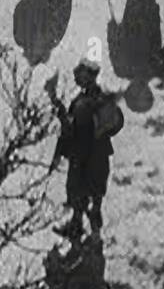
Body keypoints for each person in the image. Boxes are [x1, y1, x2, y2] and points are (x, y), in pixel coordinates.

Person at [49, 59, 124, 242]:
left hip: (91, 157)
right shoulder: (84, 101)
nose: (77, 76)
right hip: (88, 157)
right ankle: (79, 229)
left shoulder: (91, 102)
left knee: (91, 198)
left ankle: (94, 238)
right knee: (81, 197)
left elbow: (70, 129)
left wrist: (59, 154)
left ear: (90, 76)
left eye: (81, 73)